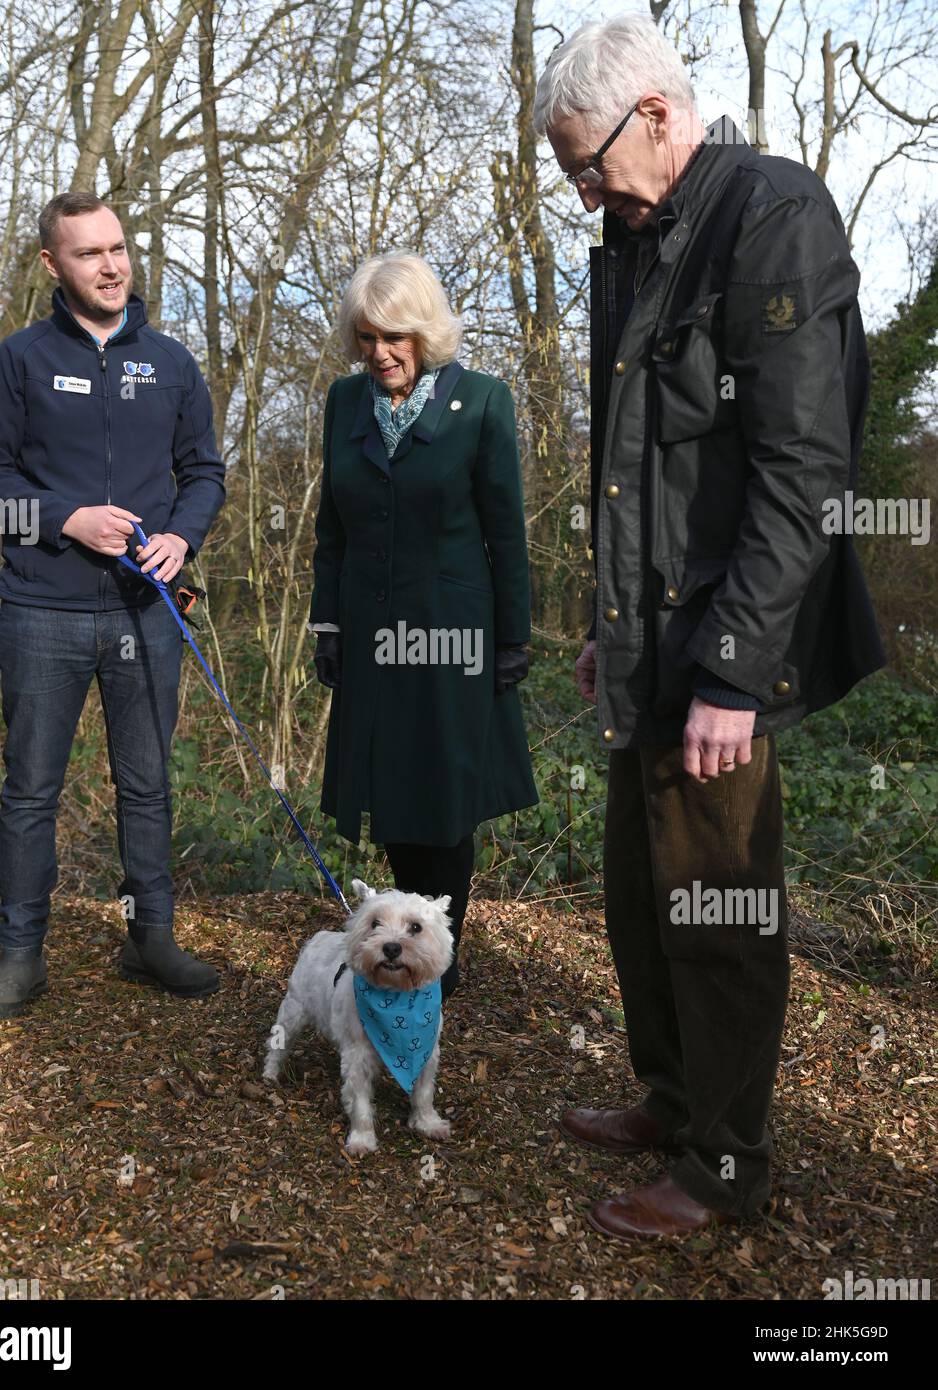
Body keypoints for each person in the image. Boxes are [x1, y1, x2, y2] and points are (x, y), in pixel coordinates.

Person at [533, 14, 885, 1236]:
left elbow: (804, 469)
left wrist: (734, 668)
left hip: (725, 655)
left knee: (718, 908)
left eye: (588, 163)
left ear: (659, 116)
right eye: (571, 173)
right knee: (640, 893)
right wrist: (604, 622)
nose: (584, 192)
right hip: (647, 643)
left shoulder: (771, 216)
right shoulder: (640, 236)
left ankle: (724, 1165)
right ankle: (672, 1097)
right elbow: (636, 471)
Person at [0, 191, 226, 1018]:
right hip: (42, 609)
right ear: (52, 265)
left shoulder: (174, 362)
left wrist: (181, 540)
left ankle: (151, 939)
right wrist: (65, 519)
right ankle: (20, 955)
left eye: (118, 249)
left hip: (148, 610)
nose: (111, 266)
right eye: (88, 254)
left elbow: (205, 474)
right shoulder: (18, 361)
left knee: (146, 786)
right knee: (29, 789)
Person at [309, 251, 539, 998]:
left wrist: (513, 636)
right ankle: (401, 947)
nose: (379, 353)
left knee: (444, 796)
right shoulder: (345, 404)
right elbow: (331, 530)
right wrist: (328, 626)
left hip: (452, 634)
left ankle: (443, 956)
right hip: (371, 633)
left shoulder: (481, 401)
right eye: (367, 337)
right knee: (394, 792)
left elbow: (506, 532)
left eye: (395, 337)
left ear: (425, 332)